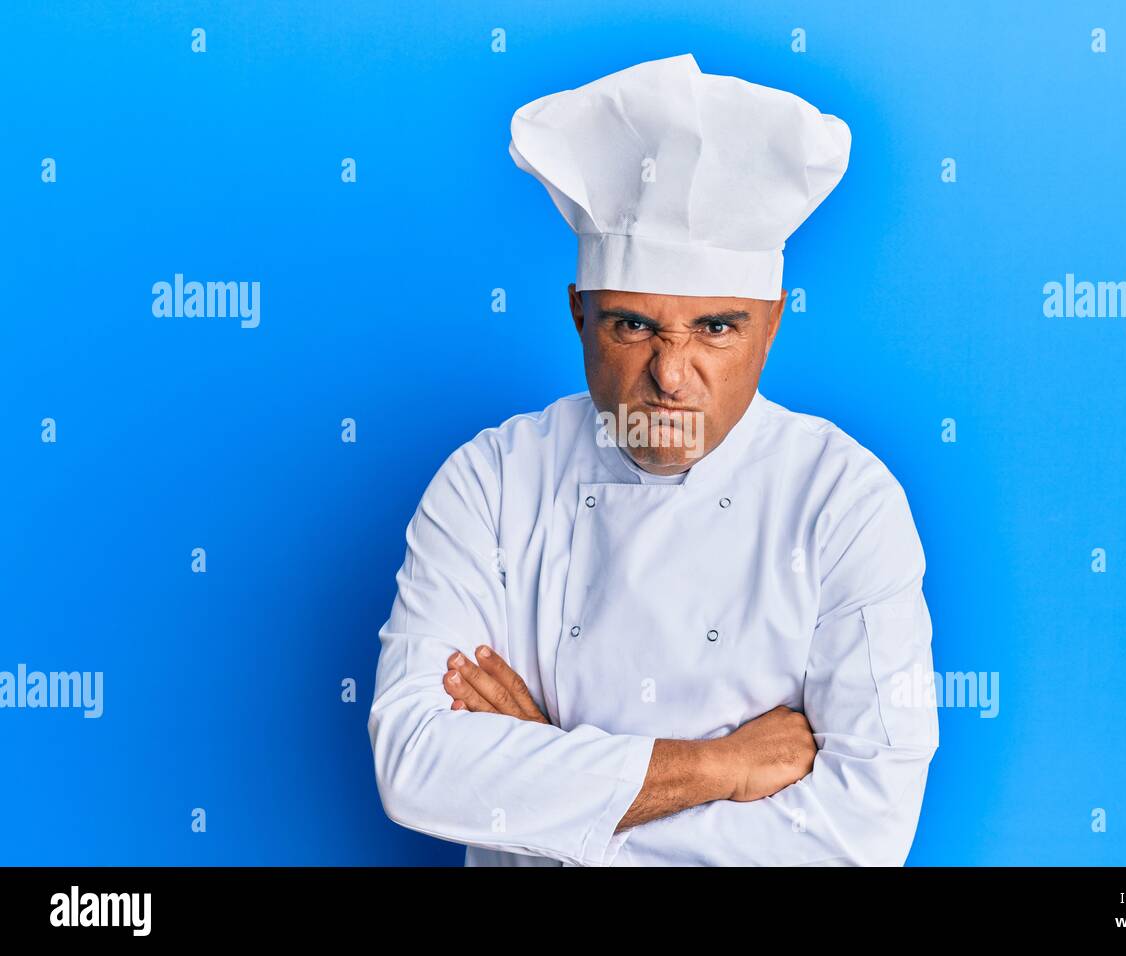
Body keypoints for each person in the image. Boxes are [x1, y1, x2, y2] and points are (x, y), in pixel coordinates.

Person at [367, 53, 939, 867]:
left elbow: (860, 836)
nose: (671, 376)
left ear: (772, 324)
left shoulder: (844, 501)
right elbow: (416, 768)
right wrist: (717, 767)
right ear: (579, 314)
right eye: (633, 326)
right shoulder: (491, 481)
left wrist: (553, 790)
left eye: (716, 328)